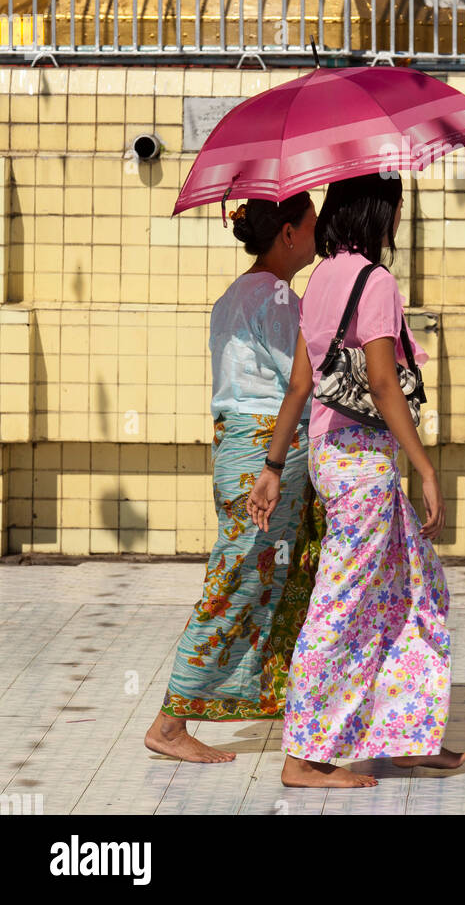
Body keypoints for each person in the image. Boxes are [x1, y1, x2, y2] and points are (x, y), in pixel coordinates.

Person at [247, 172, 465, 788]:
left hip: (330, 455)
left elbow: (300, 384)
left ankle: (407, 735)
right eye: (397, 209)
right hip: (363, 465)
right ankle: (304, 757)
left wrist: (273, 467)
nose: (400, 220)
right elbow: (380, 383)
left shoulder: (320, 278)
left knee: (415, 592)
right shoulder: (376, 282)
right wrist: (425, 467)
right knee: (341, 603)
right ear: (380, 214)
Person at [144, 194, 325, 763]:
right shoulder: (277, 298)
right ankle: (170, 723)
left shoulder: (234, 295)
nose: (320, 234)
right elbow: (301, 383)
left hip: (238, 448)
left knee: (254, 577)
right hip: (266, 452)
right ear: (290, 234)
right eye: (313, 224)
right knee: (238, 580)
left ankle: (290, 702)